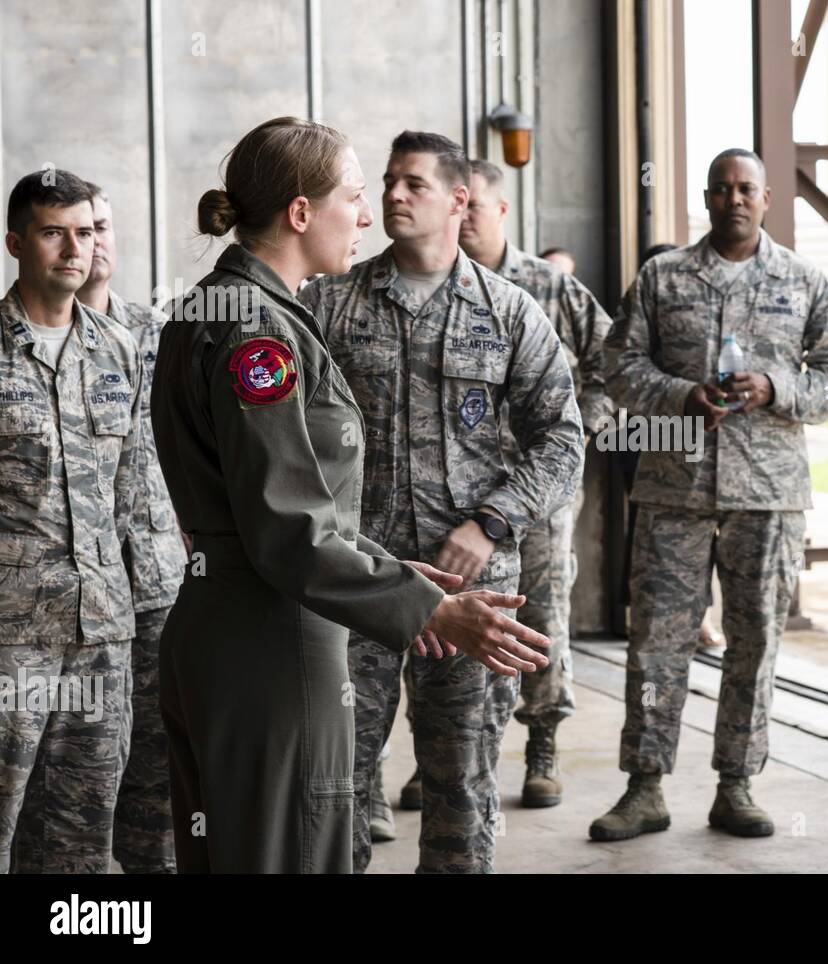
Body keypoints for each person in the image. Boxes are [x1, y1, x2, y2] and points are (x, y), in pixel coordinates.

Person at [152, 116, 551, 874]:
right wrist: (431, 610)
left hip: (228, 629)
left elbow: (277, 502)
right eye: (357, 197)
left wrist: (395, 571)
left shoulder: (220, 309)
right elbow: (286, 530)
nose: (368, 217)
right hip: (275, 648)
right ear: (301, 213)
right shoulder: (259, 335)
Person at [299, 130, 583, 873]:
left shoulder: (511, 312)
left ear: (460, 200)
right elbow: (291, 440)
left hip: (473, 590)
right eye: (388, 181)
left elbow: (562, 439)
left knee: (462, 785)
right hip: (357, 584)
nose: (392, 195)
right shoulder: (332, 304)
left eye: (413, 184)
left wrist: (490, 524)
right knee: (335, 787)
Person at [594, 148, 828, 841]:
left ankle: (737, 784)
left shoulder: (803, 280)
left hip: (768, 494)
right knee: (657, 641)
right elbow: (618, 366)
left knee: (755, 640)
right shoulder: (663, 276)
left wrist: (777, 389)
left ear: (767, 197)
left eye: (747, 188)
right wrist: (684, 395)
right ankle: (644, 786)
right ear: (706, 198)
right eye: (722, 189)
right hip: (672, 490)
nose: (734, 199)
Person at [460, 159, 612, 808]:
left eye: (475, 207)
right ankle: (453, 749)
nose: (462, 217)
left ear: (501, 211)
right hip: (460, 495)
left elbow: (614, 362)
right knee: (454, 618)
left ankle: (543, 742)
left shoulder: (551, 288)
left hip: (540, 492)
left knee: (542, 615)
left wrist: (581, 430)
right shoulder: (438, 285)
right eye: (455, 204)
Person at [0, 169, 141, 873]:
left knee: (83, 839)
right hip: (11, 639)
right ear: (16, 242)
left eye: (85, 231)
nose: (73, 248)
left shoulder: (118, 350)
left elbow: (137, 501)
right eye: (54, 232)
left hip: (103, 635)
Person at [74, 183, 188, 873]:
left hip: (160, 587)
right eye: (77, 229)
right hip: (68, 602)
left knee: (159, 767)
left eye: (103, 227)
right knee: (73, 783)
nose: (93, 243)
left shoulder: (158, 335)